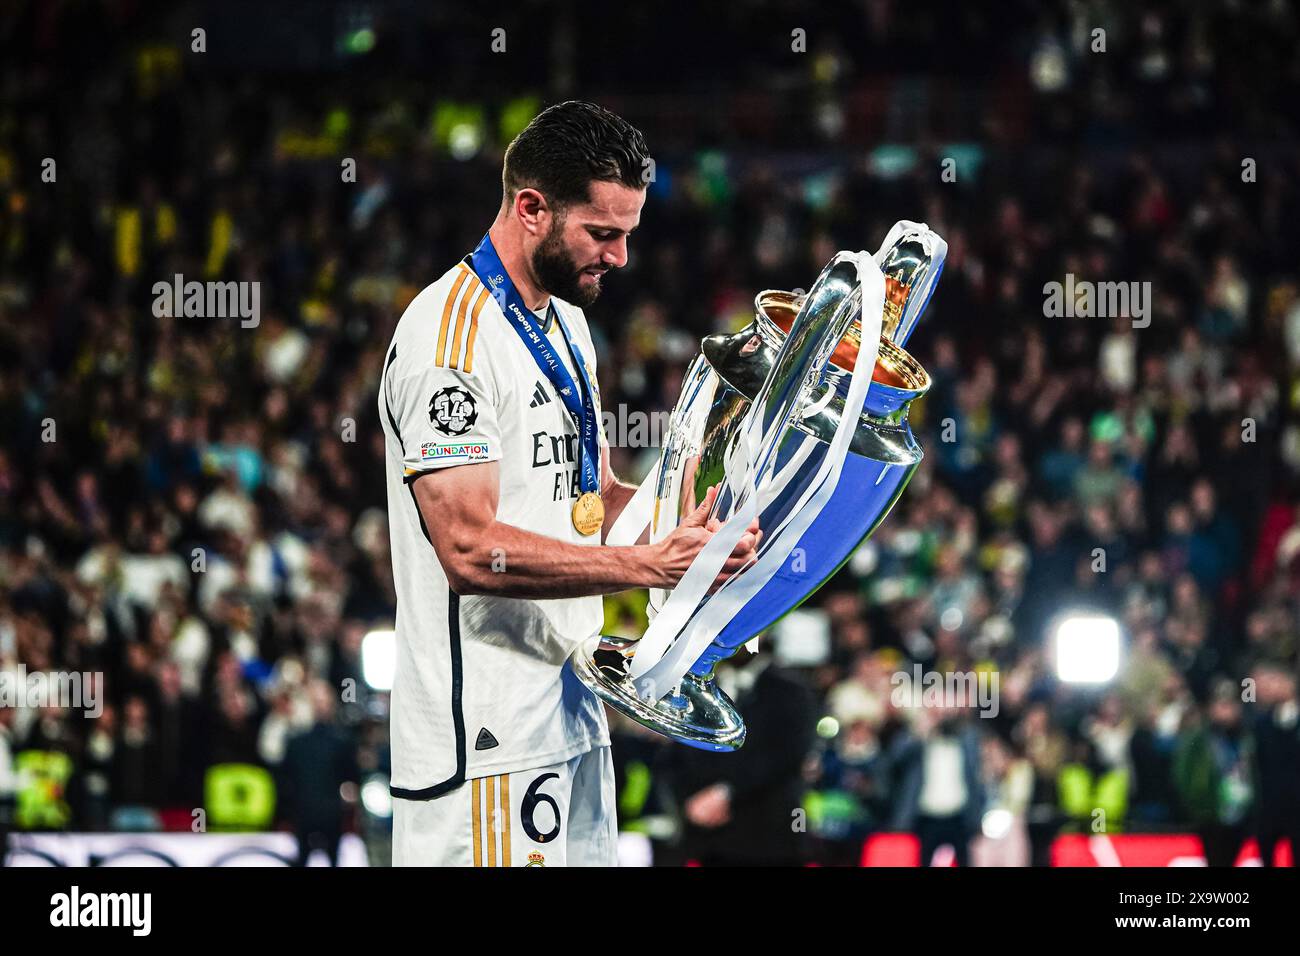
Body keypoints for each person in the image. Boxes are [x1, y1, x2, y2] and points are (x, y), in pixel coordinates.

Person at [378, 101, 760, 866]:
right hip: (484, 744)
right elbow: (467, 546)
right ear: (531, 209)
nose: (620, 256)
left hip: (570, 717)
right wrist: (649, 567)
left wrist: (698, 539)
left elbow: (596, 499)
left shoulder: (566, 323)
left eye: (629, 233)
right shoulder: (448, 338)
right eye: (603, 233)